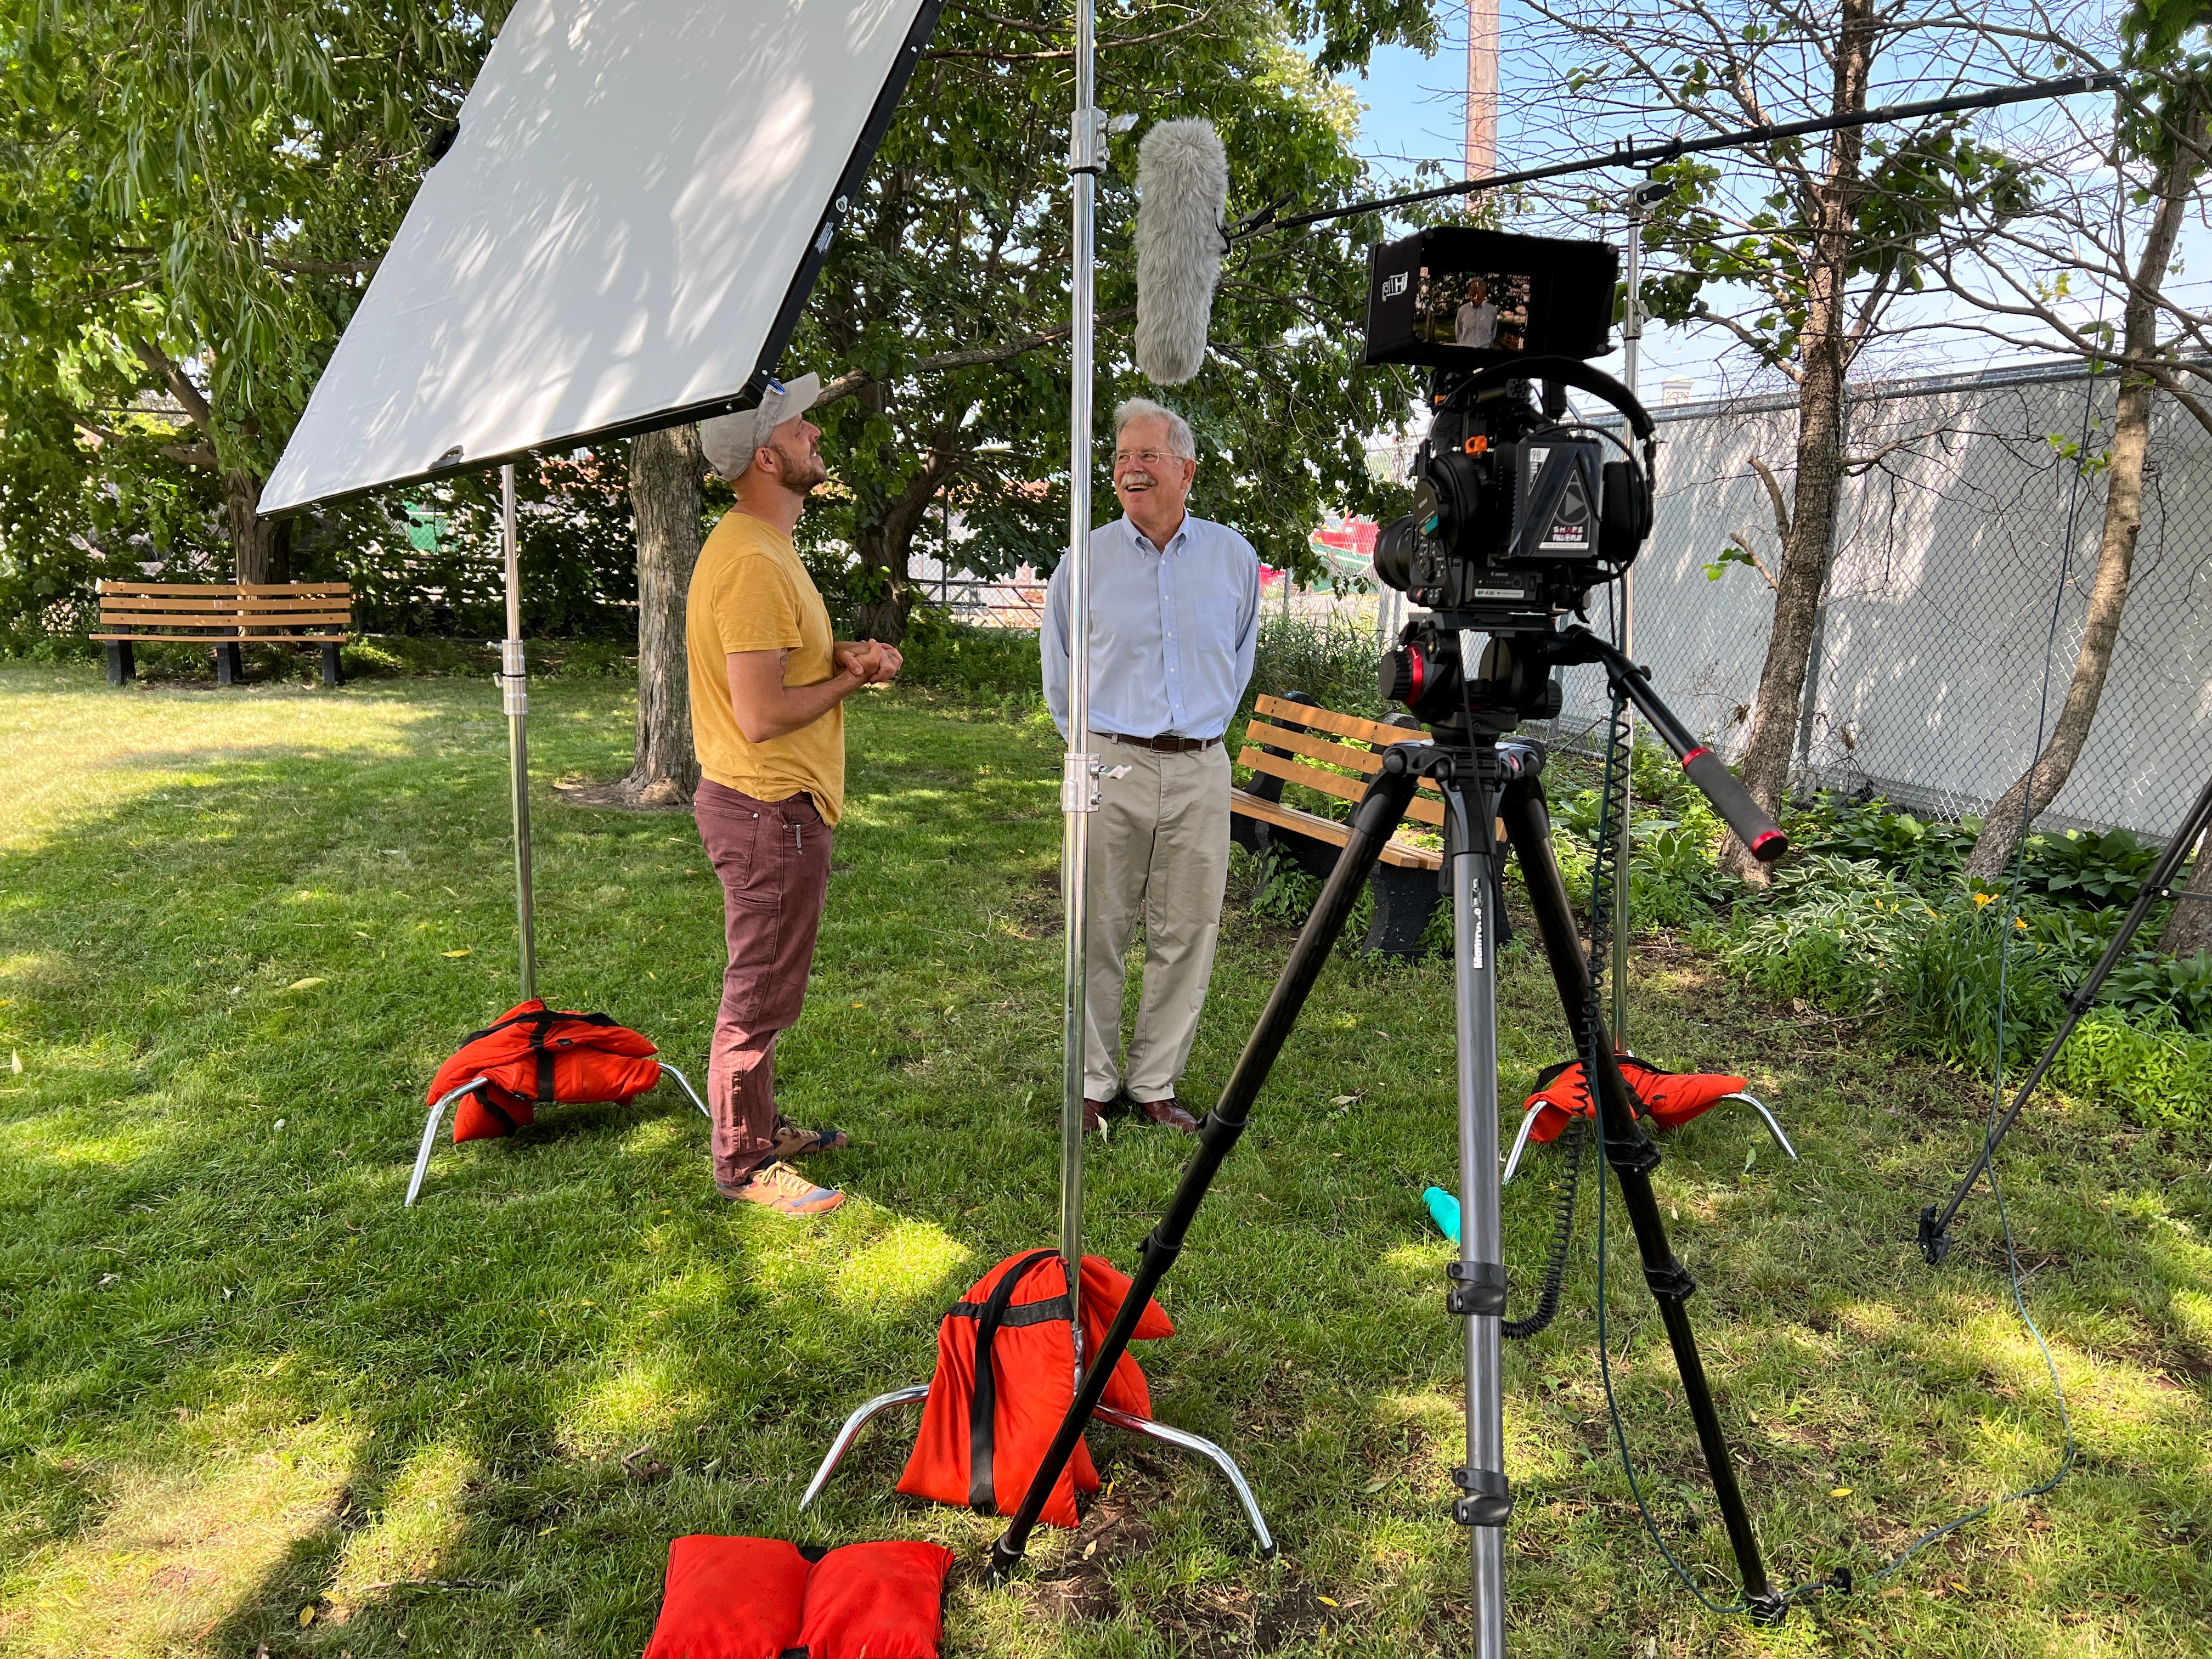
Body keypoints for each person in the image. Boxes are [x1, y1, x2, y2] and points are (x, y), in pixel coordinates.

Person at [687, 374, 901, 1215]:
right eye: (798, 424)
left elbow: (777, 666)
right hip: (766, 807)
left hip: (768, 804)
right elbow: (763, 712)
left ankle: (761, 1126)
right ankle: (742, 1163)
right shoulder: (749, 560)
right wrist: (849, 685)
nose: (814, 430)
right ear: (767, 456)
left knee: (770, 984)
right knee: (759, 993)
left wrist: (844, 655)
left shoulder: (763, 546)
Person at [1041, 398, 1259, 1136]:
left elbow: (1237, 661)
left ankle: (1155, 1083)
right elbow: (1060, 670)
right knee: (1096, 928)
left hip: (1200, 769)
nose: (1131, 469)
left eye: (1148, 457)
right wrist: (1094, 748)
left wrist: (1198, 734)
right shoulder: (1087, 556)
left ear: (1186, 470)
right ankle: (1095, 1082)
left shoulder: (1233, 557)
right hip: (1109, 763)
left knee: (1187, 930)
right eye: (1122, 458)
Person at [1455, 276, 1499, 349]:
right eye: (1471, 289)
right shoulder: (1463, 310)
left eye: (1476, 289)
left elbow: (1493, 332)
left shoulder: (1492, 310)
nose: (1472, 292)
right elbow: (1458, 333)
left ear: (1484, 293)